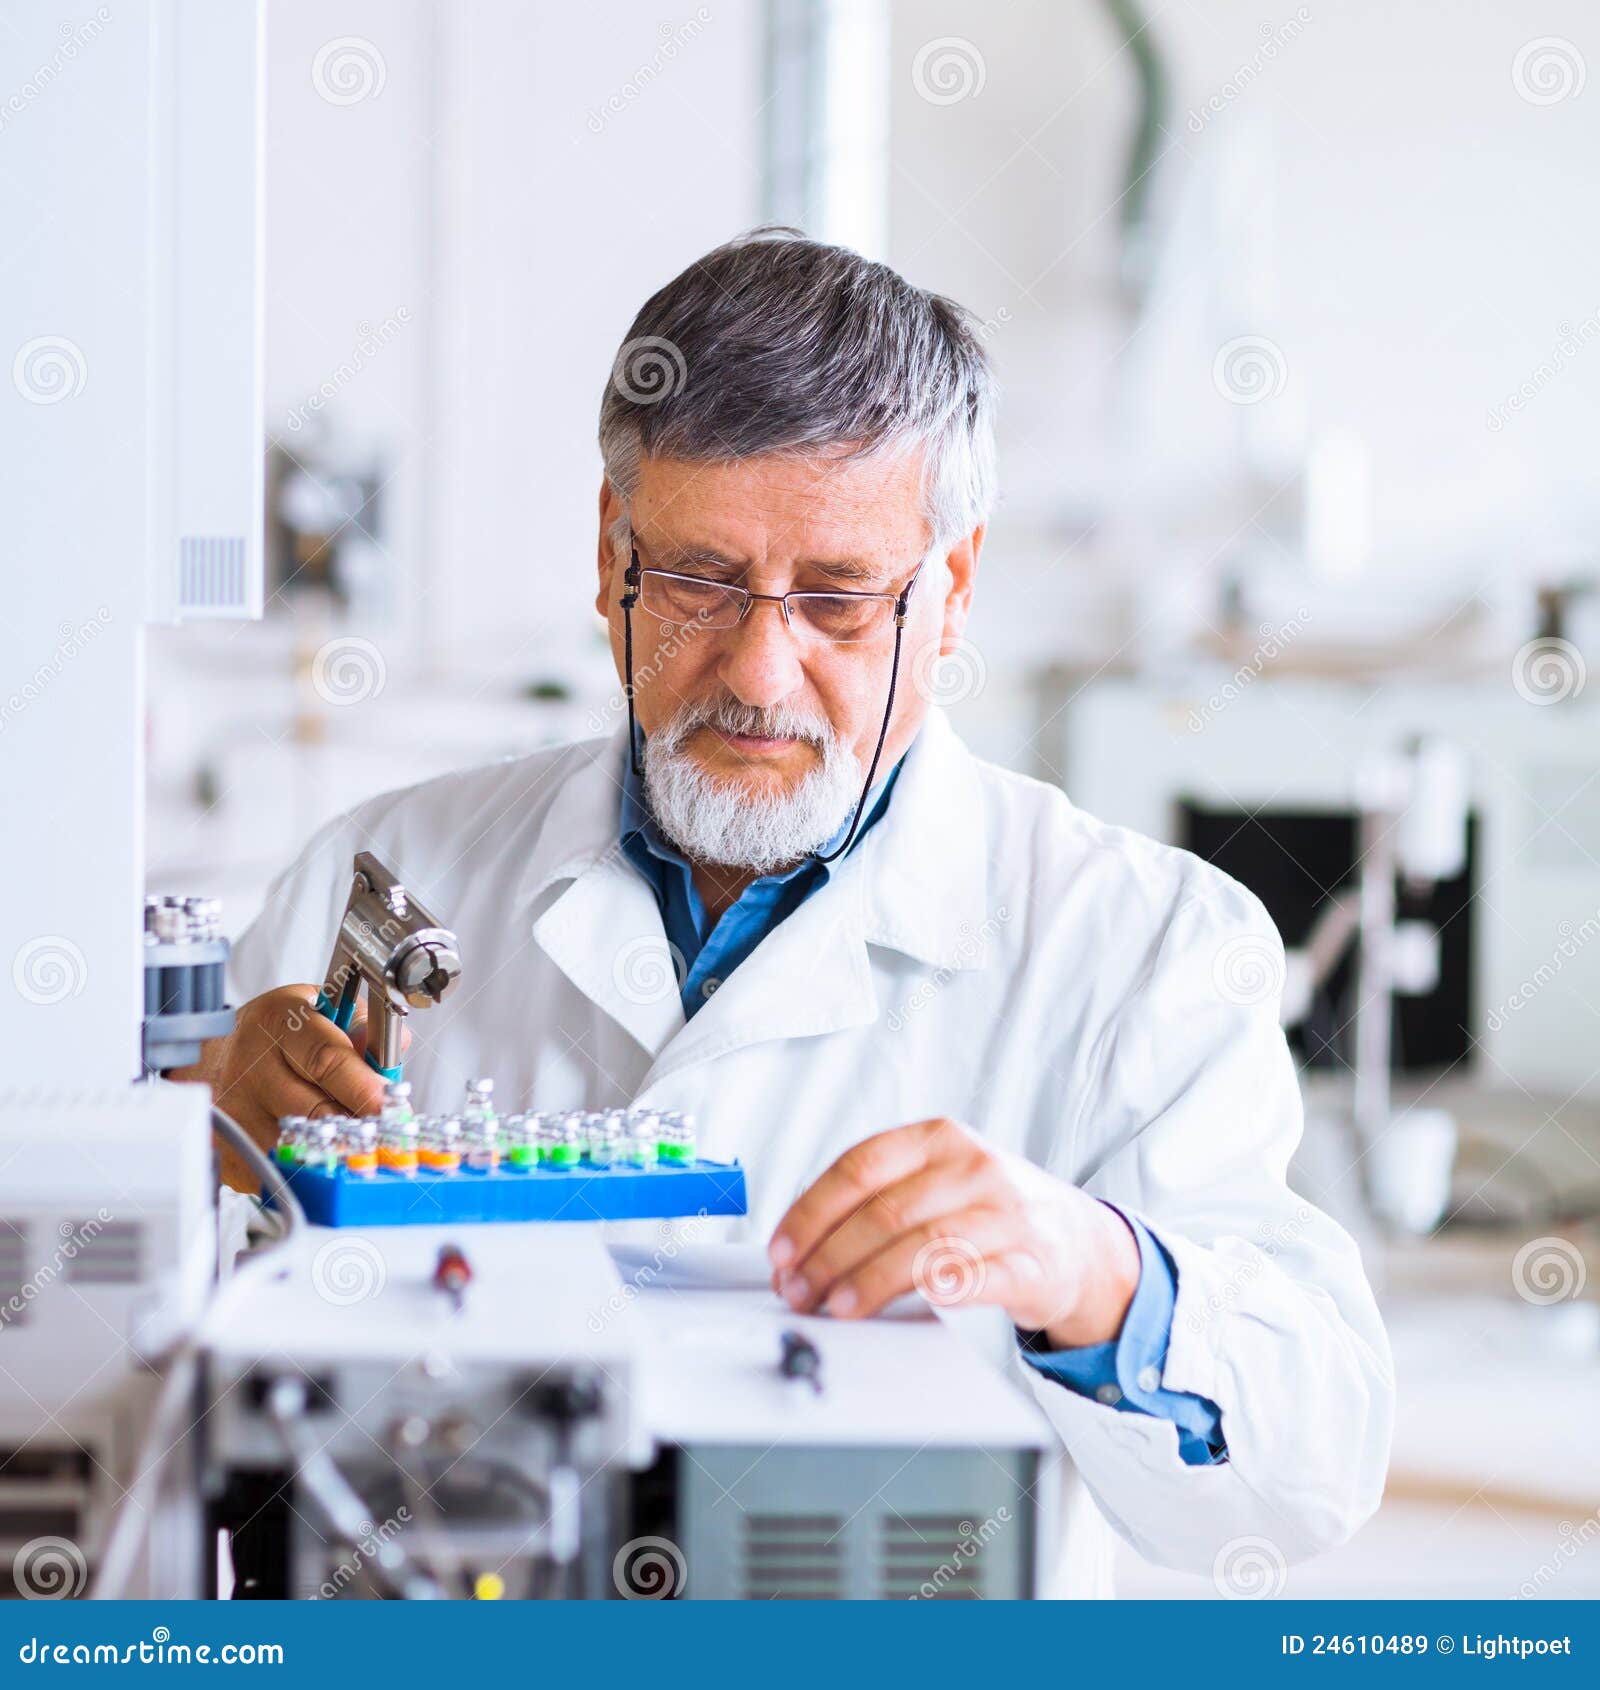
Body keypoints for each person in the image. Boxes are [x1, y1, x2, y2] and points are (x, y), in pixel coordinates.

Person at [191, 229, 1391, 1594]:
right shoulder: (390, 865)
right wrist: (196, 1127)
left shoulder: (1142, 948)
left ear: (952, 593)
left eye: (836, 599)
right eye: (701, 580)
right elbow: (126, 1341)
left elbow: (1308, 1475)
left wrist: (1096, 1273)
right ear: (611, 556)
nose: (760, 671)